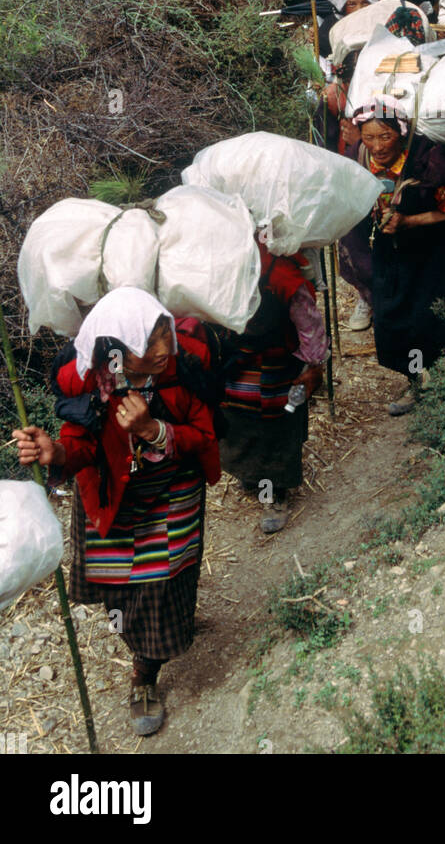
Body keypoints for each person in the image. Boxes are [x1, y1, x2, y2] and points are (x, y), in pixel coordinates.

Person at [13, 287, 221, 737]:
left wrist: (153, 429)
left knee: (164, 586)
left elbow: (204, 438)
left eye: (165, 330)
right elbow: (81, 446)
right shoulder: (93, 386)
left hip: (171, 495)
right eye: (149, 343)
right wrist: (56, 454)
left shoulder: (180, 375)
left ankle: (145, 674)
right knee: (119, 595)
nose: (165, 348)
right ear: (117, 352)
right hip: (111, 501)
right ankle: (155, 636)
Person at [350, 98, 445, 415]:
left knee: (434, 318)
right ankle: (416, 379)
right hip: (392, 255)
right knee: (396, 319)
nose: (377, 146)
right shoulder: (361, 159)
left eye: (385, 136)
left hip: (437, 251)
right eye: (369, 137)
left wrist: (408, 221)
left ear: (401, 133)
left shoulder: (427, 165)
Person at [218, 240, 326, 533]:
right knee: (237, 424)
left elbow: (309, 322)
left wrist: (314, 364)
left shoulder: (283, 276)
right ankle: (251, 474)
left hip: (278, 368)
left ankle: (274, 494)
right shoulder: (221, 272)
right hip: (237, 366)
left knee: (277, 430)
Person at [317, 0, 382, 58]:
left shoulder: (382, 23)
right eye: (352, 4)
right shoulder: (330, 30)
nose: (359, 9)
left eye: (365, 3)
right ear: (343, 7)